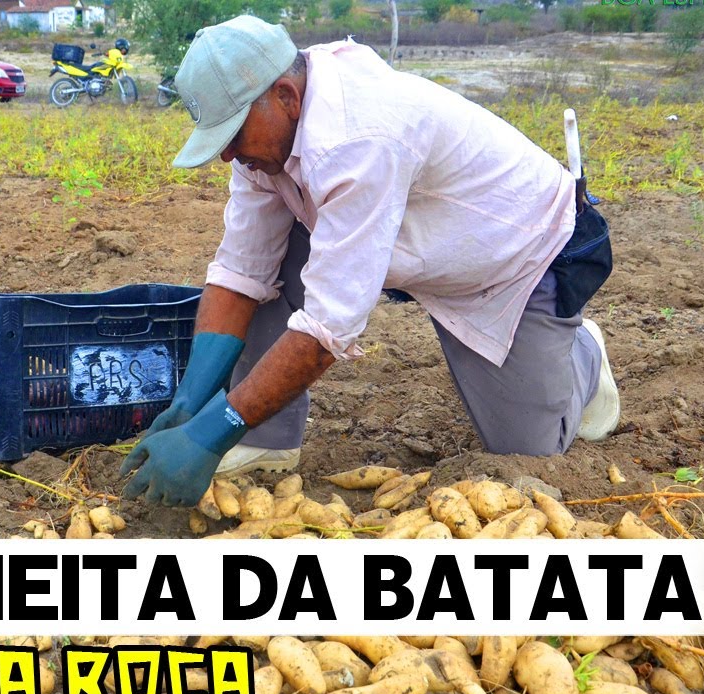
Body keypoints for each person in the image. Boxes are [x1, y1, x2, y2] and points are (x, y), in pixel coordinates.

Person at [121, 15, 619, 507]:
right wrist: (189, 401)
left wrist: (212, 432)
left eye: (233, 133)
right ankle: (266, 437)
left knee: (529, 447)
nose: (227, 155)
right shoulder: (269, 141)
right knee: (275, 249)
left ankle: (584, 357)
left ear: (286, 97)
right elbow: (242, 269)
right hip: (418, 241)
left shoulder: (357, 138)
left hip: (517, 255)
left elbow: (328, 330)